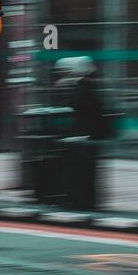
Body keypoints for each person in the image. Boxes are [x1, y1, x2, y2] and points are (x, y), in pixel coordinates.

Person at [53, 56, 112, 206]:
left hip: (81, 136)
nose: (95, 79)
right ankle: (85, 199)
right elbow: (95, 112)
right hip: (87, 136)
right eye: (93, 76)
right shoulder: (85, 90)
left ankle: (77, 198)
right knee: (85, 171)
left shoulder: (76, 88)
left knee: (81, 170)